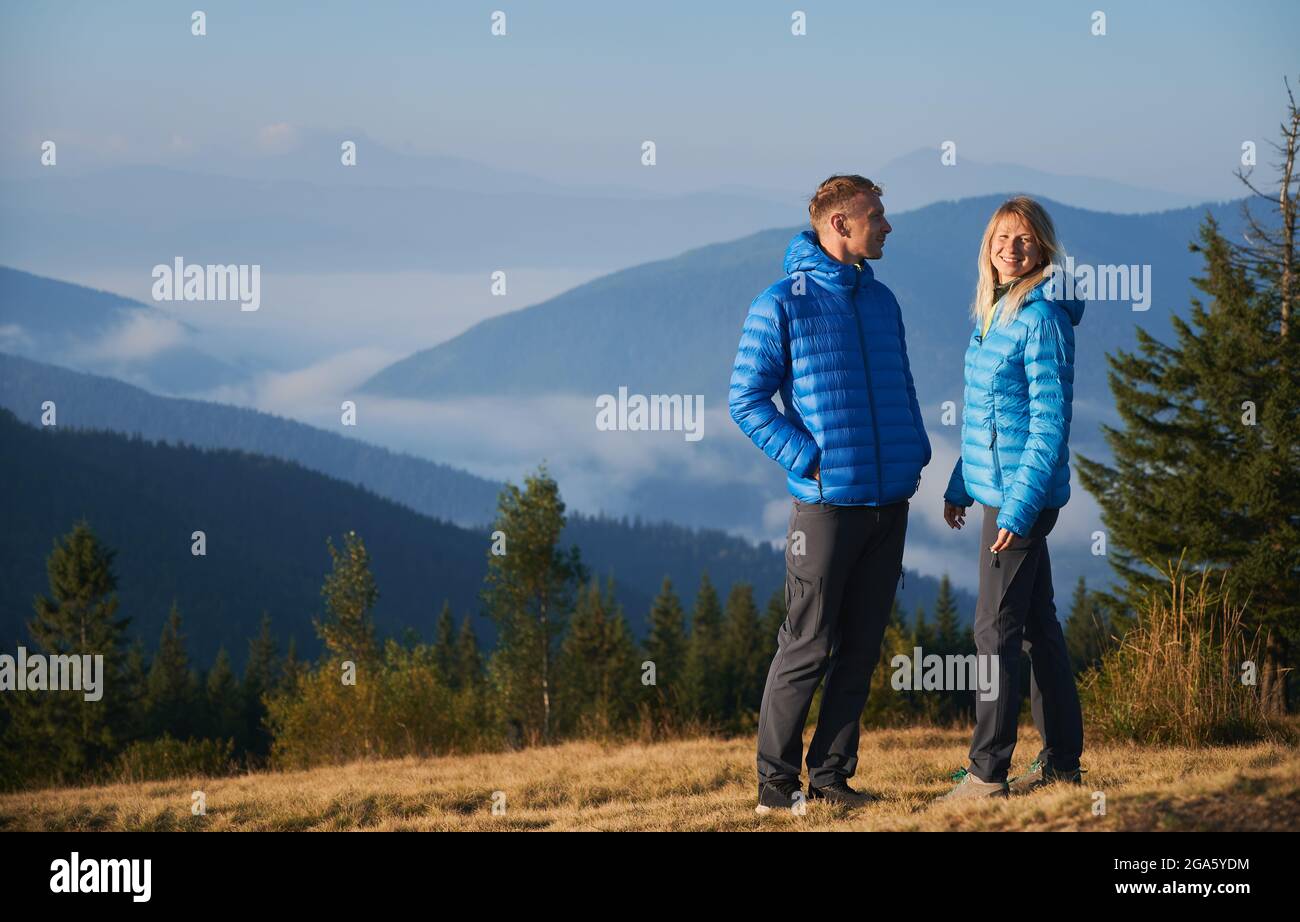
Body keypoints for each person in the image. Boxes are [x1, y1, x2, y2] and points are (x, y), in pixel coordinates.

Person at [729, 175, 930, 814]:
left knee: (862, 646)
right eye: (876, 216)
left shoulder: (883, 301)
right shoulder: (780, 302)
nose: (887, 226)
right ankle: (775, 787)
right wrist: (807, 458)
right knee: (808, 643)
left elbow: (902, 384)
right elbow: (746, 399)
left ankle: (832, 778)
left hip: (888, 501)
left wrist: (917, 448)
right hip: (825, 506)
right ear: (839, 224)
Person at [938, 196, 1086, 801]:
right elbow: (987, 417)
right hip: (1000, 489)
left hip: (1021, 498)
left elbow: (1049, 425)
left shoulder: (1041, 318)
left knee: (994, 630)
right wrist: (962, 481)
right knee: (1036, 629)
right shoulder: (995, 312)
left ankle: (986, 773)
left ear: (1043, 249)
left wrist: (1018, 509)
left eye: (1024, 240)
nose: (1011, 248)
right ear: (988, 246)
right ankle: (1061, 762)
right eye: (1002, 237)